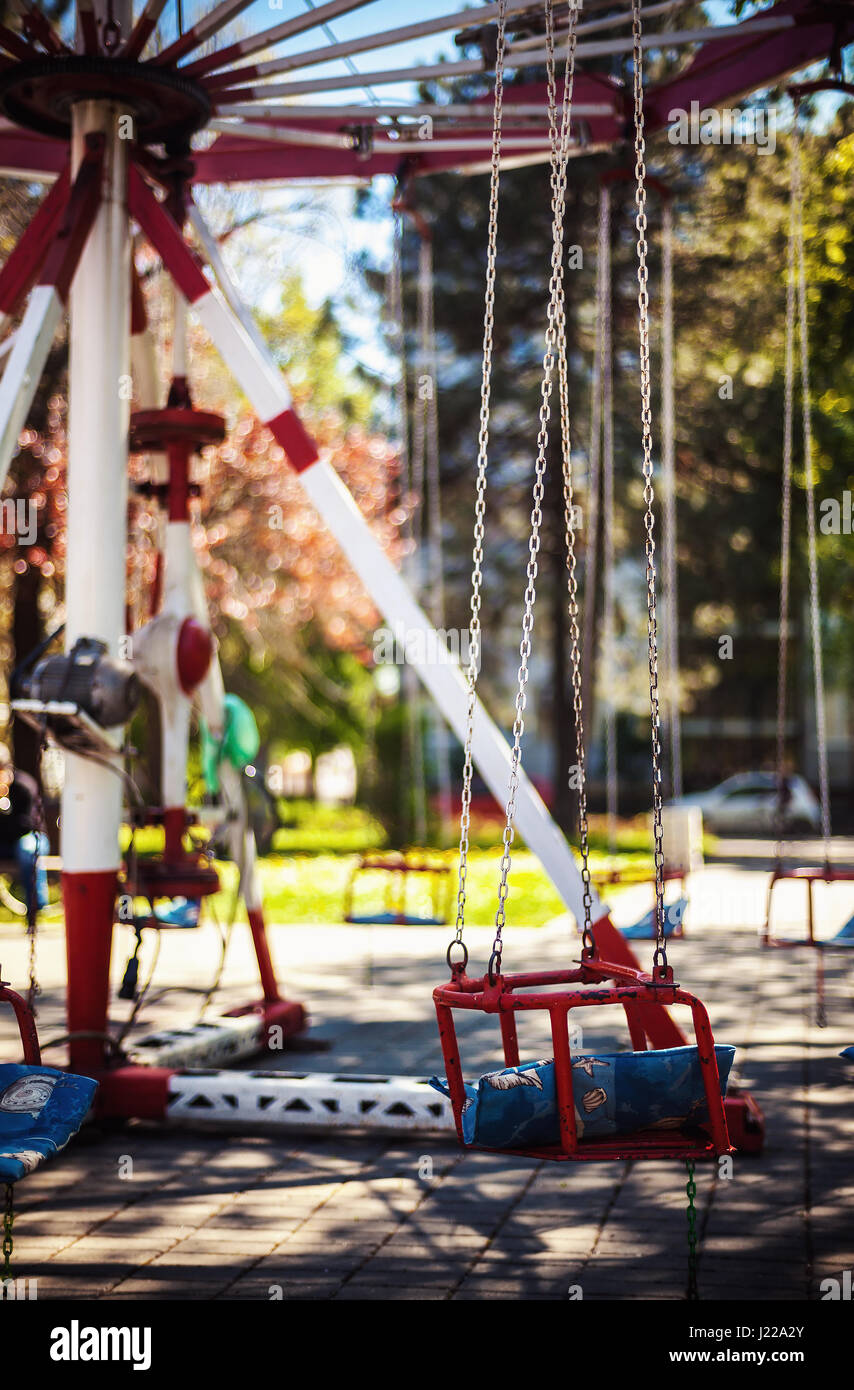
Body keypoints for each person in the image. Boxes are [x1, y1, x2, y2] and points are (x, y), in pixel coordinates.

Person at [0, 758, 49, 920]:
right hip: (6, 844)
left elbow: (26, 825)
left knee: (26, 849)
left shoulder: (23, 786)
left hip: (31, 838)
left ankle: (36, 907)